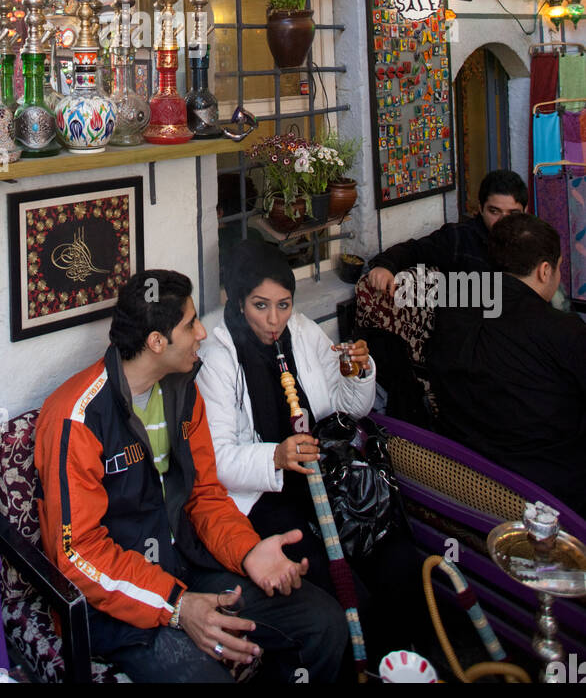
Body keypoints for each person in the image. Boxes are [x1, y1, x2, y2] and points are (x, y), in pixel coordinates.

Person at [34, 268, 348, 684]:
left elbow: (204, 496)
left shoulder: (182, 390)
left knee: (323, 623)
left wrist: (248, 551)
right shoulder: (76, 418)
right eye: (190, 324)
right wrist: (177, 605)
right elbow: (79, 555)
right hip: (120, 601)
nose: (202, 332)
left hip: (186, 563)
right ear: (156, 341)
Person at [198, 239, 426, 662]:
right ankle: (367, 664)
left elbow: (349, 409)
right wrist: (276, 457)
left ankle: (406, 662)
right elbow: (218, 460)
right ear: (237, 299)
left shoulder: (301, 331)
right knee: (345, 588)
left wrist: (358, 373)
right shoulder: (218, 358)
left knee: (397, 560)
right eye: (260, 306)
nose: (274, 320)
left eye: (283, 305)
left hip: (328, 478)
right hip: (268, 499)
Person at [427, 213, 586, 515]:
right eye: (559, 269)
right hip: (545, 496)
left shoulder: (453, 306)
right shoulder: (564, 330)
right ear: (544, 270)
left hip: (463, 476)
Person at [366, 169, 528, 298]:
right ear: (480, 208)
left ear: (525, 212)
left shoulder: (532, 241)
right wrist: (385, 266)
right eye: (494, 211)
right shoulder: (459, 238)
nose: (503, 221)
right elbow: (414, 250)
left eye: (513, 214)